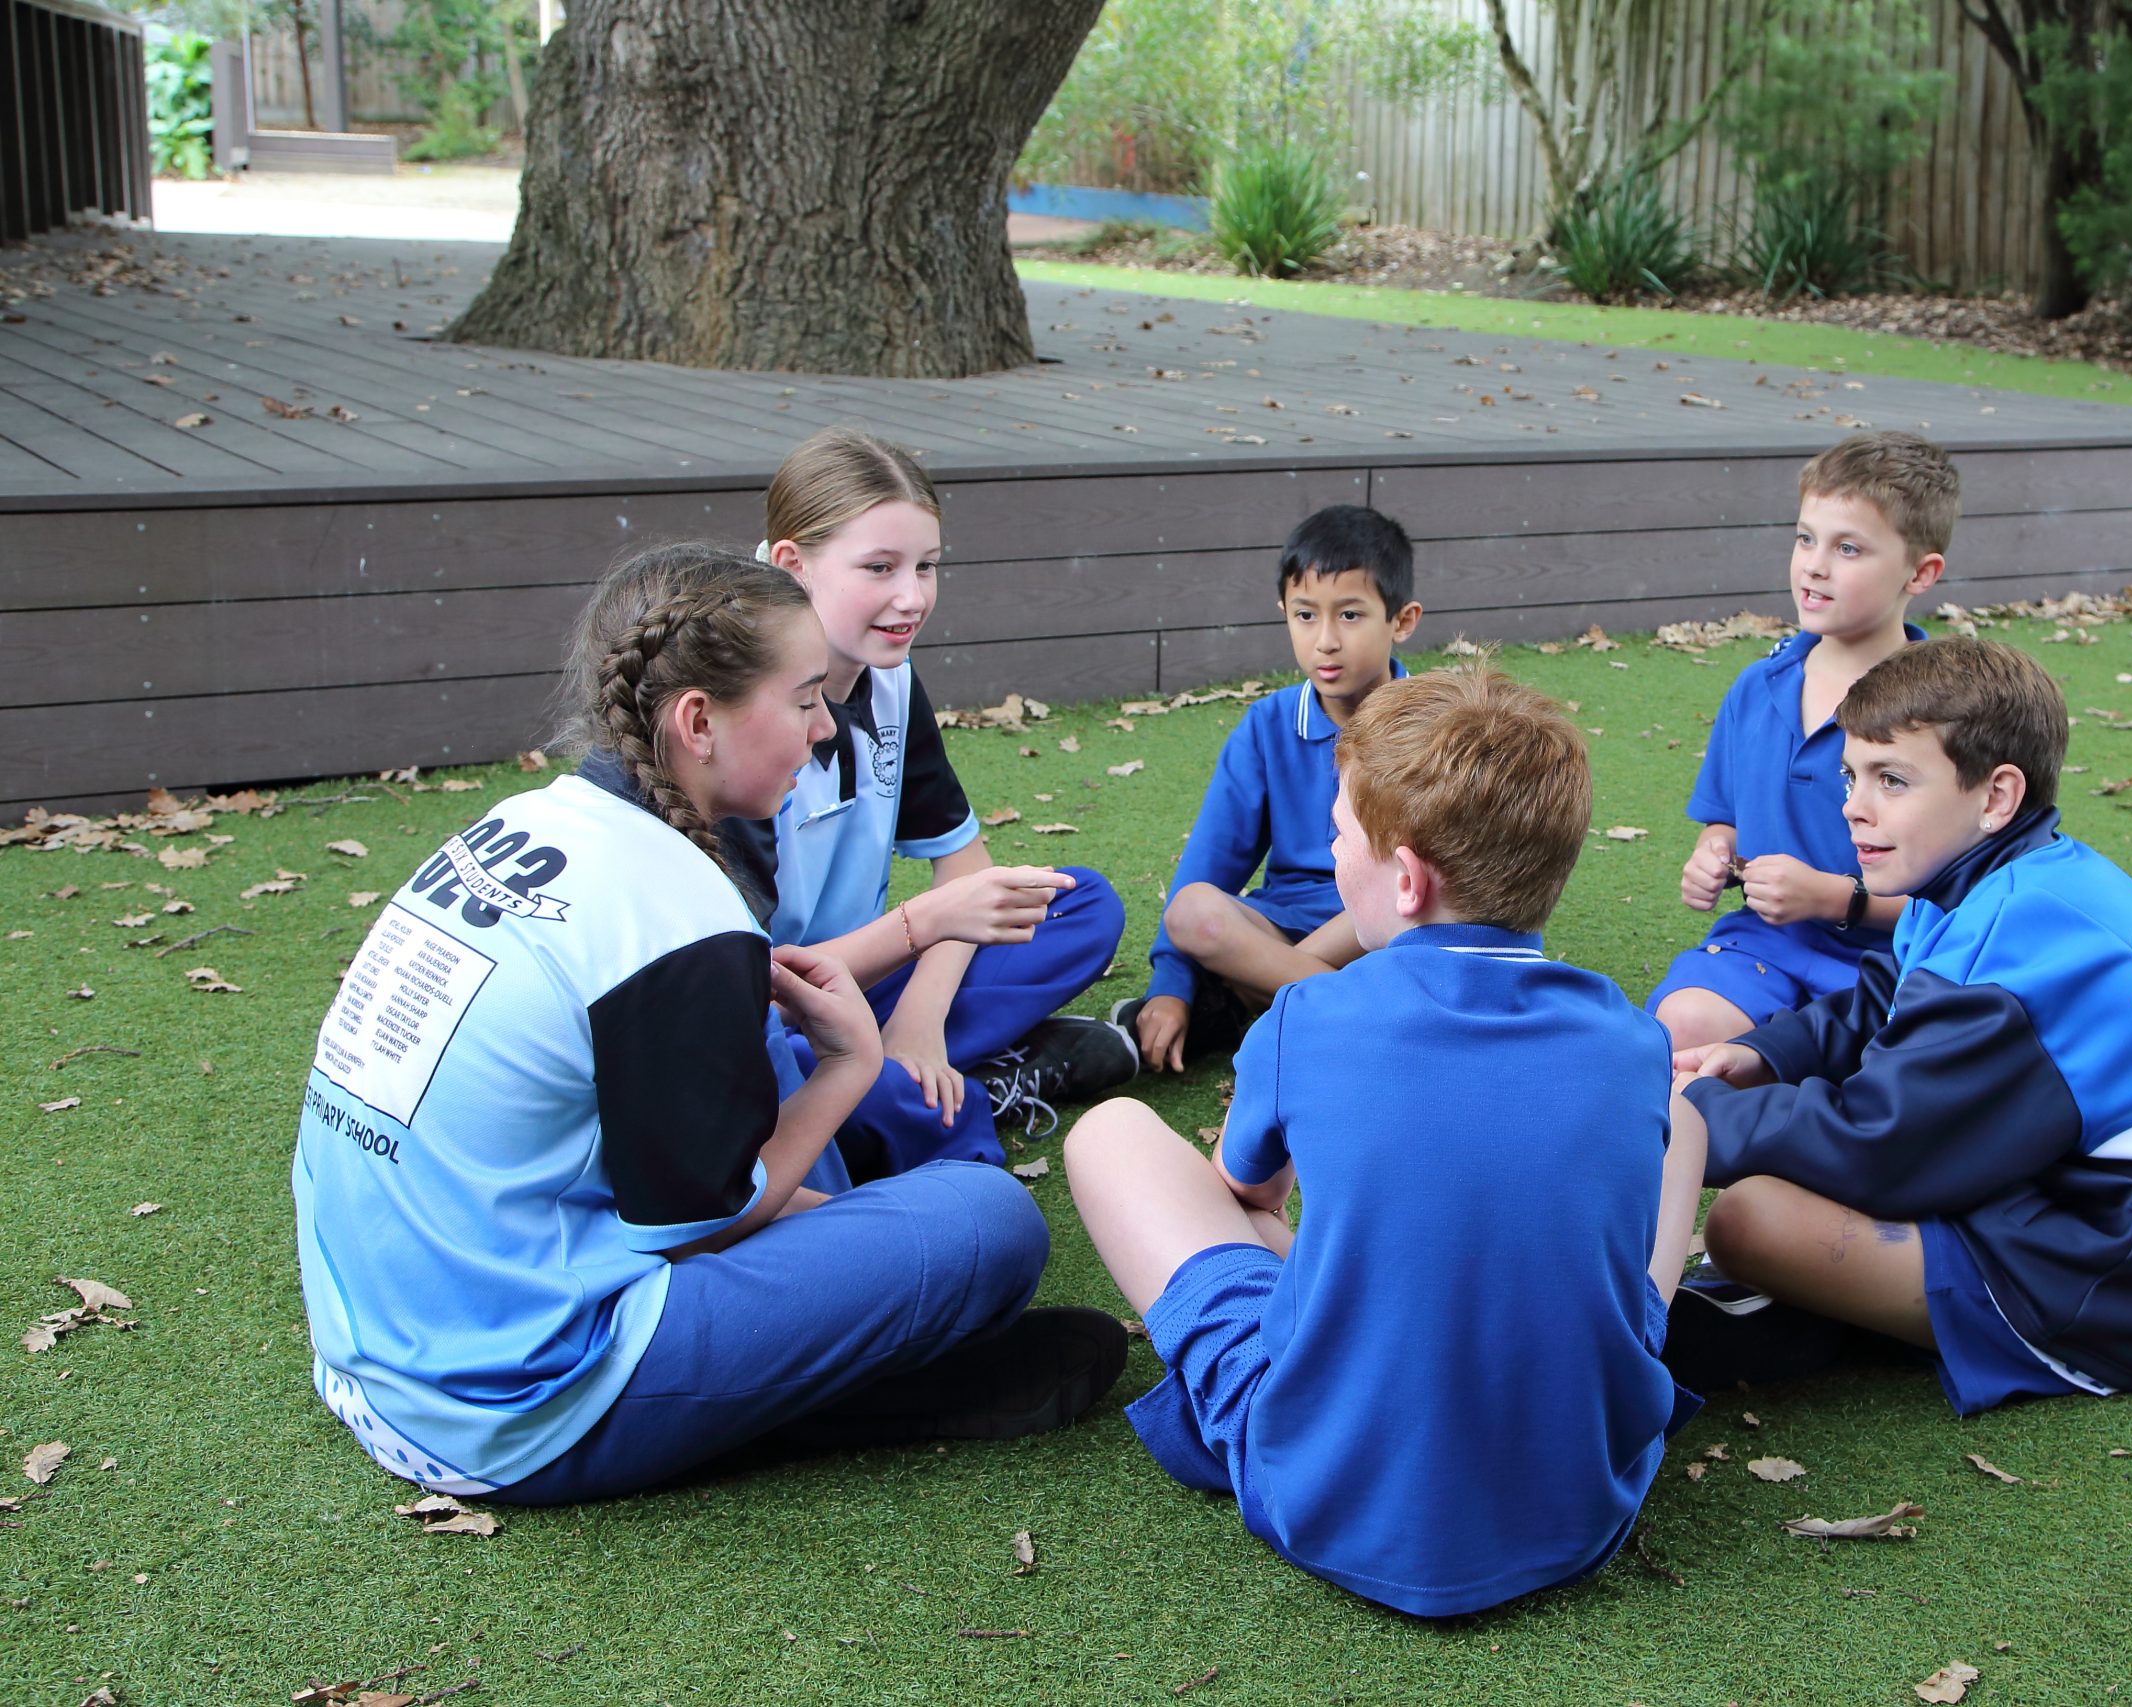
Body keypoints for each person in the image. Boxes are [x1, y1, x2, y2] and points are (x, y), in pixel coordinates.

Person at [290, 546, 1125, 1504]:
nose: (824, 728)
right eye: (805, 700)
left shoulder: (529, 820)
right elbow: (703, 1226)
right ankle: (835, 1395)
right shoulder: (678, 915)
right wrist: (849, 1069)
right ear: (698, 722)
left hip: (371, 1353)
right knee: (986, 1222)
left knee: (789, 1069)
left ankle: (826, 1358)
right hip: (510, 1405)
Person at [1065, 669, 1706, 1618]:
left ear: (1406, 879)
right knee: (1684, 1114)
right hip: (1581, 1509)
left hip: (1323, 1496)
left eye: (1338, 833)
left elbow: (1247, 1197)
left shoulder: (1305, 1016)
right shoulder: (1632, 1037)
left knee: (1111, 1132)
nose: (1331, 850)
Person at [1668, 638, 2132, 1415]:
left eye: (1891, 779)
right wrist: (1762, 1054)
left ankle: (1830, 1318)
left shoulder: (2016, 950)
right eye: (1851, 776)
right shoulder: (2006, 877)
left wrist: (1687, 1117)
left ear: (1996, 796)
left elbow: (1877, 1143)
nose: (1853, 805)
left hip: (2126, 1276)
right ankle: (1828, 1312)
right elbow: (1880, 1000)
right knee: (1777, 1175)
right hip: (2117, 1210)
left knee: (1752, 1223)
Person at [737, 427, 1134, 1179]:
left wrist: (921, 1018)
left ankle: (922, 1071)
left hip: (868, 980)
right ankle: (963, 1086)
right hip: (773, 1015)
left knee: (1076, 903)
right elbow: (745, 992)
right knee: (810, 1072)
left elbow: (966, 870)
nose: (912, 597)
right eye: (879, 567)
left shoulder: (889, 672)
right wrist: (919, 933)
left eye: (927, 566)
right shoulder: (738, 711)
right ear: (791, 565)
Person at [1649, 431, 1958, 1053]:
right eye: (1805, 538)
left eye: (1849, 548)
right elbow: (1726, 821)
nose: (1815, 565)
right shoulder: (1756, 687)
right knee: (1680, 1030)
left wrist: (1836, 900)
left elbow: (1962, 903)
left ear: (1920, 572)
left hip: (1894, 965)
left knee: (1867, 1077)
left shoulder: (1947, 712)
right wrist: (1714, 856)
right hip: (1764, 945)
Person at [1114, 504, 1423, 1074]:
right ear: (1284, 613)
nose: (1325, 641)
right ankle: (1342, 1014)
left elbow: (1430, 878)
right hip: (1280, 928)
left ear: (1400, 621)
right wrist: (1171, 986)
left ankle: (1255, 1000)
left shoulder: (1432, 726)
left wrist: (1278, 967)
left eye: (1350, 615)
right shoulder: (1266, 725)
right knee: (1192, 912)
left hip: (1387, 926)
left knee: (1417, 909)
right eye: (1305, 615)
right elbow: (1207, 867)